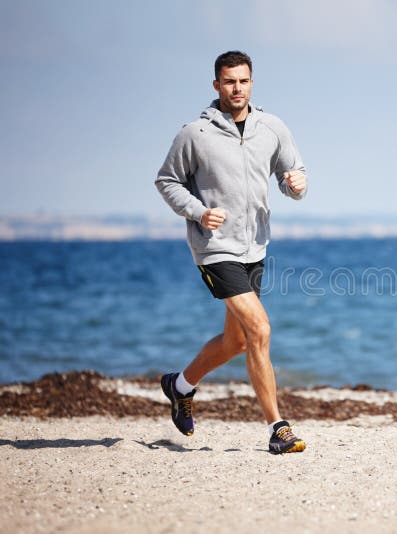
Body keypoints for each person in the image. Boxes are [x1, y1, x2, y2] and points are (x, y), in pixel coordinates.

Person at [155, 50, 307, 454]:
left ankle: (180, 385)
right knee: (260, 330)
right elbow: (167, 180)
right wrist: (198, 212)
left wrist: (295, 184)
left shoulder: (271, 127)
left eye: (242, 81)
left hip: (254, 245)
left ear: (251, 82)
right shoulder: (195, 134)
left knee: (236, 341)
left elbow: (296, 173)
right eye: (228, 81)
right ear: (216, 85)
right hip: (215, 248)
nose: (236, 88)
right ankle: (278, 427)